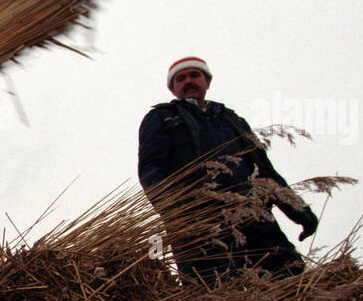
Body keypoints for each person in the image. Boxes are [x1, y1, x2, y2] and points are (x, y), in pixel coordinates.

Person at [137, 57, 319, 283]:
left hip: (254, 217)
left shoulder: (232, 120)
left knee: (289, 282)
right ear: (172, 88)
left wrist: (300, 212)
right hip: (199, 223)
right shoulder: (160, 118)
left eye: (195, 75)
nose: (188, 81)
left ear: (207, 81)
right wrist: (177, 212)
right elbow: (150, 170)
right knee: (211, 295)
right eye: (181, 78)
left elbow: (266, 173)